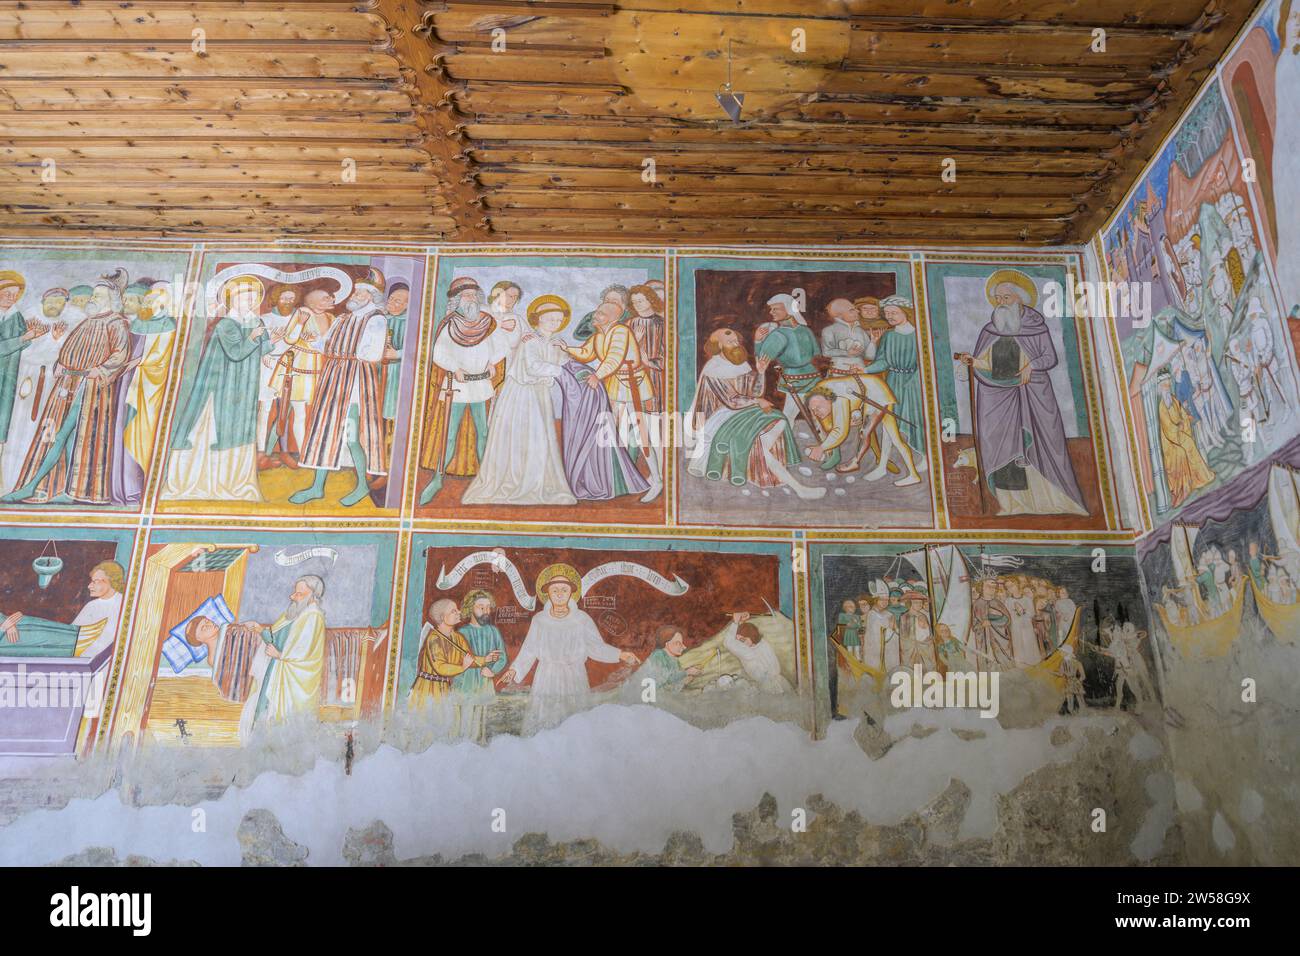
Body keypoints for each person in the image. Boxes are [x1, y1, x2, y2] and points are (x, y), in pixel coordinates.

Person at [956, 271, 1088, 516]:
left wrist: (1031, 365)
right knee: (1003, 447)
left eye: (1006, 297)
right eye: (998, 298)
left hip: (1031, 394)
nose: (1001, 302)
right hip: (997, 399)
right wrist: (971, 361)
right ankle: (1013, 505)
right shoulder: (990, 330)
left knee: (1038, 444)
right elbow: (986, 363)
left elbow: (1049, 357)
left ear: (1021, 298)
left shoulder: (1036, 327)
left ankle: (1054, 501)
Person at [5, 280, 131, 505]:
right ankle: (54, 488)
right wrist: (61, 364)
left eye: (99, 296)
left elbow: (120, 355)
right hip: (68, 382)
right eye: (93, 294)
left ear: (111, 300)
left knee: (64, 435)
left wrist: (99, 370)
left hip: (91, 387)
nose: (93, 299)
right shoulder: (88, 321)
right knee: (60, 435)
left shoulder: (116, 323)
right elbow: (70, 348)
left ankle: (35, 487)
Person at [291, 270, 398, 507]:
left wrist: (341, 351)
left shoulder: (376, 319)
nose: (356, 294)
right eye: (357, 290)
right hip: (334, 378)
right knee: (325, 431)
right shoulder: (343, 318)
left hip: (354, 383)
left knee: (350, 436)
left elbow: (369, 354)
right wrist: (309, 338)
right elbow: (324, 343)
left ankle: (361, 485)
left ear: (372, 297)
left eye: (362, 292)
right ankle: (317, 486)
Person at [163, 275, 273, 501]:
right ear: (233, 299)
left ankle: (236, 482)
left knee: (240, 428)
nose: (249, 300)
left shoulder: (255, 321)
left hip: (245, 384)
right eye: (244, 296)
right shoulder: (226, 324)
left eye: (252, 296)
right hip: (223, 385)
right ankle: (205, 481)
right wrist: (253, 338)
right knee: (219, 427)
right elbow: (236, 353)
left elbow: (262, 350)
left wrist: (270, 341)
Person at [462, 294, 576, 506]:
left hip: (539, 395)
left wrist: (568, 354)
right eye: (551, 319)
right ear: (539, 319)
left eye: (559, 320)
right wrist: (560, 371)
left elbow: (566, 362)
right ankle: (518, 480)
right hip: (522, 395)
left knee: (541, 437)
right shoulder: (530, 340)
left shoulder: (554, 342)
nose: (555, 323)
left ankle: (538, 480)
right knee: (526, 436)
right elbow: (532, 367)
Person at [497, 564, 639, 735]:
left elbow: (595, 647)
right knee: (546, 724)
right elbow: (529, 649)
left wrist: (620, 654)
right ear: (548, 593)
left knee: (575, 724)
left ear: (571, 593)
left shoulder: (581, 619)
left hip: (574, 675)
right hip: (547, 676)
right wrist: (514, 670)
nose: (559, 594)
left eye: (563, 590)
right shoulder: (540, 620)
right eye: (555, 590)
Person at [685, 326, 823, 499]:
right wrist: (757, 401)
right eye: (730, 342)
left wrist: (761, 373)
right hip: (722, 416)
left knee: (780, 420)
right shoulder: (714, 368)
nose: (735, 344)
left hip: (744, 409)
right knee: (758, 442)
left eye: (736, 341)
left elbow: (755, 393)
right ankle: (798, 488)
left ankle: (763, 458)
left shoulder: (740, 363)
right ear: (719, 345)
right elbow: (731, 400)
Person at [418, 276, 519, 503]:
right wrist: (454, 367)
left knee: (483, 433)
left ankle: (486, 478)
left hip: (481, 385)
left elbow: (501, 346)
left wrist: (493, 361)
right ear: (456, 300)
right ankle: (437, 477)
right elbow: (438, 354)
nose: (470, 299)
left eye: (473, 295)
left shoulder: (486, 321)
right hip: (457, 387)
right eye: (466, 295)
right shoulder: (450, 323)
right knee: (449, 435)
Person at [564, 301, 663, 502]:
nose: (595, 315)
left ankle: (658, 479)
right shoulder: (599, 335)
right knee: (613, 434)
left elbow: (614, 359)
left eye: (600, 313)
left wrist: (596, 376)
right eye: (597, 312)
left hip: (633, 386)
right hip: (615, 386)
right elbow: (586, 354)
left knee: (639, 434)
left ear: (612, 317)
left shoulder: (620, 331)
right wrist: (566, 348)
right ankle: (619, 479)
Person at [0, 561, 125, 658]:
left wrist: (9, 623)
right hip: (6, 639)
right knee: (33, 636)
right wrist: (4, 627)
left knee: (29, 623)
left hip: (11, 626)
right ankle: (73, 641)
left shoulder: (119, 603)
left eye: (96, 581)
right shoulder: (93, 606)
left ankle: (74, 639)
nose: (90, 585)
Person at [250, 575, 328, 725]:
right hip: (275, 669)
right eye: (295, 592)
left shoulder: (313, 616)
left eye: (299, 594)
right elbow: (275, 638)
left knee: (276, 718)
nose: (292, 597)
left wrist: (279, 655)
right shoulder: (293, 614)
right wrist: (260, 630)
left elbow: (305, 651)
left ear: (312, 596)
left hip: (287, 673)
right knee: (263, 712)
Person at [408, 598, 499, 716]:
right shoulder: (434, 639)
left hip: (444, 688)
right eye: (453, 611)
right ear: (442, 617)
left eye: (457, 610)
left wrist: (485, 659)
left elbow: (468, 659)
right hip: (428, 688)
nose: (459, 612)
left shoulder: (457, 638)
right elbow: (440, 667)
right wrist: (462, 667)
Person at [624, 624, 700, 700]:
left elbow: (673, 684)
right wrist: (687, 672)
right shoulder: (658, 655)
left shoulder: (675, 661)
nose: (684, 647)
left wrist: (685, 680)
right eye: (678, 643)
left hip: (661, 697)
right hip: (647, 697)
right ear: (667, 644)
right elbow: (667, 679)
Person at [721, 612, 791, 694]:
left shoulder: (749, 653)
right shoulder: (762, 644)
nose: (740, 643)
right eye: (739, 640)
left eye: (743, 640)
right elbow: (743, 636)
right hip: (781, 684)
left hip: (770, 689)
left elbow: (728, 643)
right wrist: (741, 623)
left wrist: (735, 622)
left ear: (752, 637)